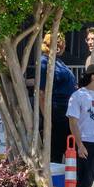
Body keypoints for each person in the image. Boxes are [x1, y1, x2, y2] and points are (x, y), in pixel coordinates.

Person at [32, 32, 76, 162]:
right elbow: (41, 93)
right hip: (56, 111)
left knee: (67, 148)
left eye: (61, 43)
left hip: (67, 112)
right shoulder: (44, 62)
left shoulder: (58, 61)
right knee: (55, 150)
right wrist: (47, 118)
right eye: (56, 43)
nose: (60, 46)